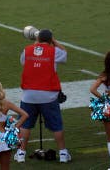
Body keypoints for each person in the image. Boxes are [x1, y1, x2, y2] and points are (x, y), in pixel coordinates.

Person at [14, 29, 71, 163]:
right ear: (50, 40)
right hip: (49, 95)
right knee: (56, 125)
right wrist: (54, 42)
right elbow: (65, 53)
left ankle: (21, 153)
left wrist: (36, 44)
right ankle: (63, 153)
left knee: (25, 125)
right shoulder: (54, 51)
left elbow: (24, 61)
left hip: (29, 95)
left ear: (38, 39)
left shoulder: (27, 50)